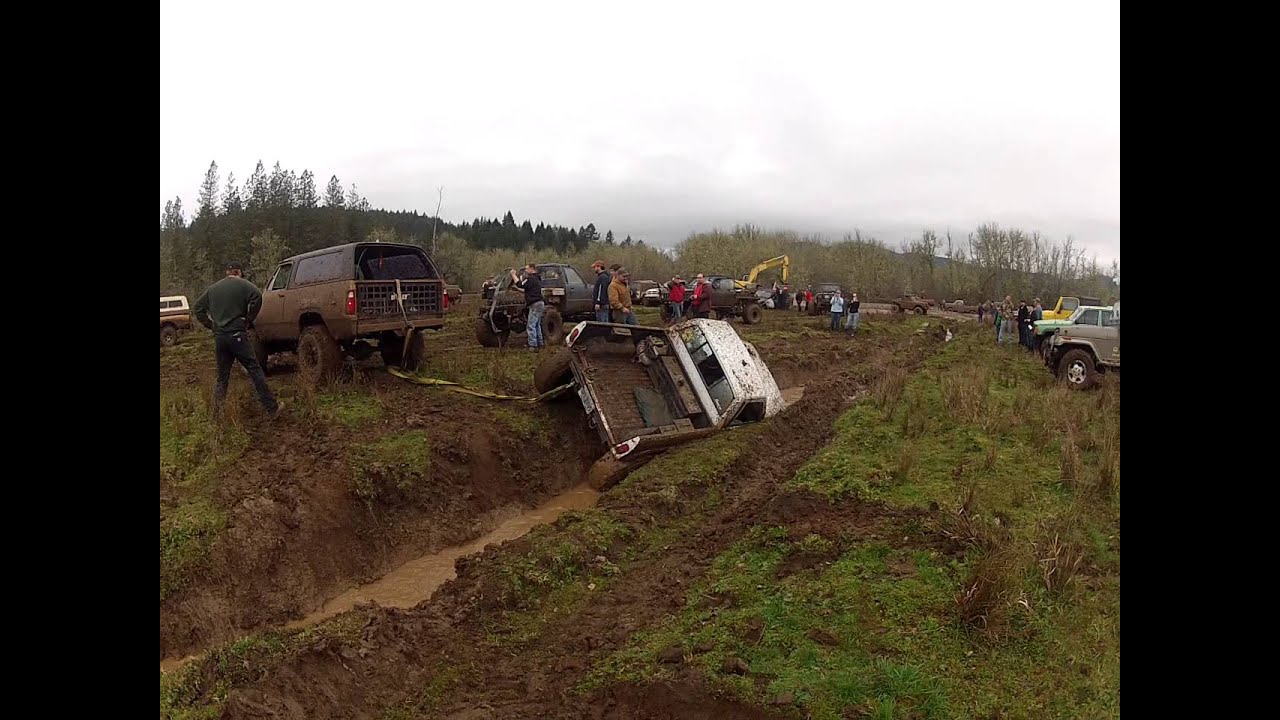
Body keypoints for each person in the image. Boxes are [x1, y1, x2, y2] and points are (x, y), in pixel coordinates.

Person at [194, 262, 281, 418]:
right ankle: (272, 408)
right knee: (254, 370)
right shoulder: (244, 285)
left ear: (227, 272)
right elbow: (257, 296)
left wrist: (211, 325)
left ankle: (217, 414)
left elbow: (198, 308)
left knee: (222, 378)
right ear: (239, 272)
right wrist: (248, 319)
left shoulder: (213, 289)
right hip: (237, 335)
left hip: (220, 338)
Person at [511, 264, 544, 350]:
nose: (525, 270)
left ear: (532, 269)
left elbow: (520, 284)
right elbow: (527, 290)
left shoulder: (530, 278)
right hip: (540, 303)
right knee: (537, 324)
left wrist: (513, 275)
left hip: (534, 304)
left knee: (531, 325)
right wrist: (517, 289)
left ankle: (533, 345)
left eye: (526, 268)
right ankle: (540, 343)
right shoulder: (537, 279)